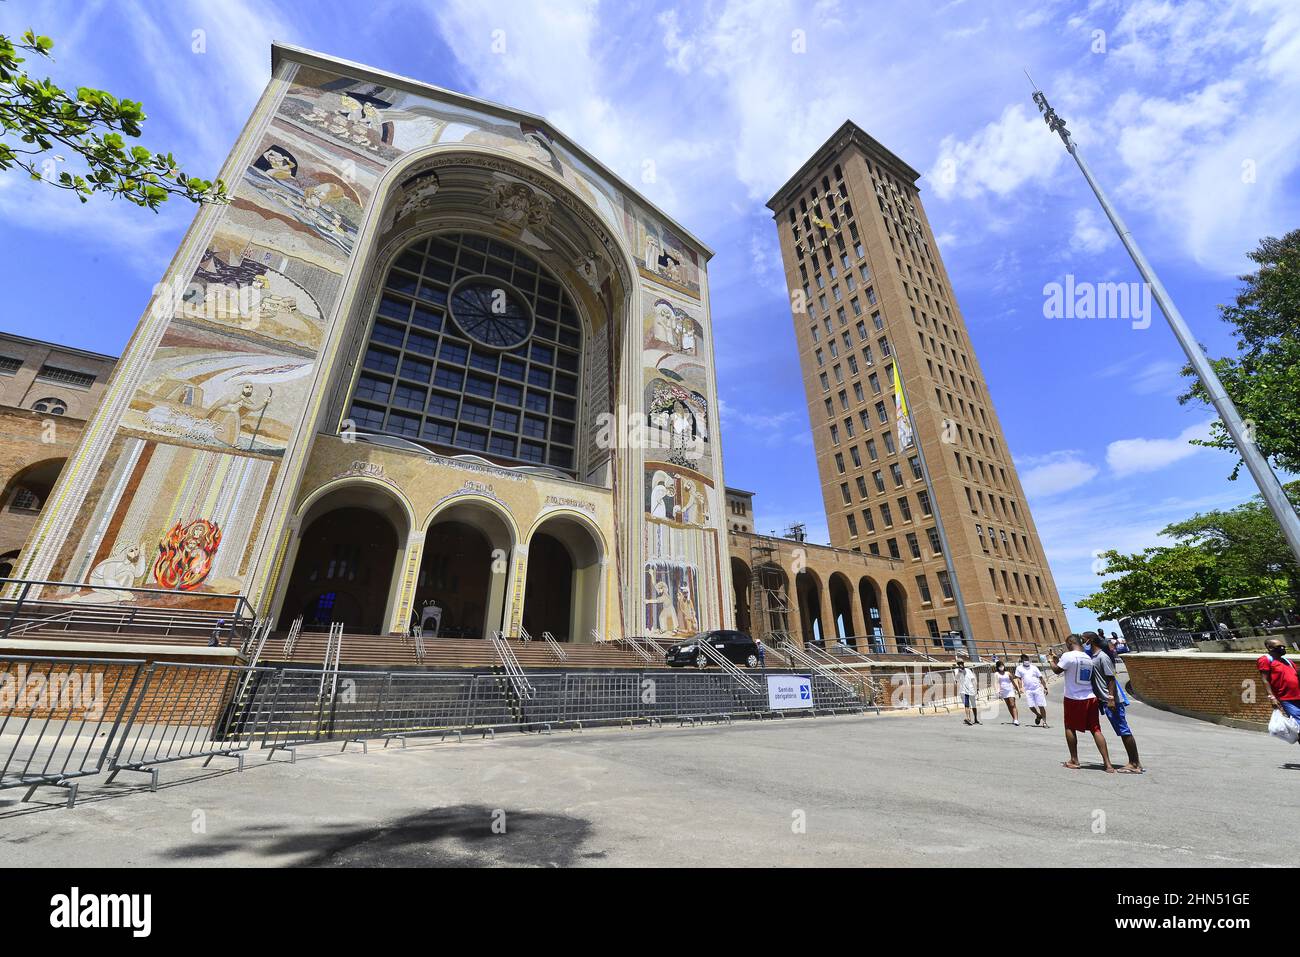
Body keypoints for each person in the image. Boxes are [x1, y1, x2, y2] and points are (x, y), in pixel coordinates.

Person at [1049, 635, 1115, 772]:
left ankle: (1074, 760)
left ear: (1070, 643)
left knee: (1069, 727)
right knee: (1096, 729)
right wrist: (1057, 660)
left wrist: (1051, 661)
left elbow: (1057, 670)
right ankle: (1108, 764)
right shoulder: (1088, 658)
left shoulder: (1068, 656)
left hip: (1073, 697)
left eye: (1067, 644)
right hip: (1090, 697)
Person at [1086, 631, 1142, 773]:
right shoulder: (1094, 657)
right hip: (1106, 700)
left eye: (1084, 640)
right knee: (1122, 730)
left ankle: (1134, 764)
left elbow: (1111, 678)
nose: (1083, 643)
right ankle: (1135, 763)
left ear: (1090, 641)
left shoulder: (1102, 657)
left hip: (1112, 700)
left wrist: (1111, 699)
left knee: (1124, 730)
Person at [1258, 639, 1300, 739]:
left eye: (1283, 646)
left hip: (1298, 694)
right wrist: (1272, 697)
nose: (1282, 648)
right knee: (1298, 722)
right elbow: (1265, 680)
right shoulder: (1265, 660)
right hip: (1287, 698)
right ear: (1270, 647)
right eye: (1279, 646)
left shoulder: (1287, 661)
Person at [1015, 653, 1049, 727]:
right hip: (1028, 690)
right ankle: (1038, 715)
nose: (1026, 661)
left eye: (1027, 659)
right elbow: (1018, 678)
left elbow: (1041, 677)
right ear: (1022, 660)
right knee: (1031, 706)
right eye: (1025, 660)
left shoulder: (1034, 668)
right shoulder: (1019, 668)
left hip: (1037, 689)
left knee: (1041, 705)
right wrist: (1020, 687)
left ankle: (1044, 722)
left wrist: (1045, 687)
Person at [994, 661, 1022, 725]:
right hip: (1003, 691)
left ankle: (1016, 719)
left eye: (1002, 665)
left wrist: (1018, 690)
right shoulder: (996, 674)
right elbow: (996, 683)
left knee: (1012, 704)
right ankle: (1014, 718)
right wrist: (998, 692)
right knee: (1009, 705)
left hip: (1010, 690)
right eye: (1000, 666)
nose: (1001, 667)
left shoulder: (1008, 673)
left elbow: (1013, 682)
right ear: (997, 667)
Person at [955, 658, 980, 725]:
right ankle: (968, 718)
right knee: (967, 705)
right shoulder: (956, 671)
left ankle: (976, 719)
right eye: (959, 663)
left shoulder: (968, 670)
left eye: (962, 663)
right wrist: (959, 672)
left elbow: (973, 679)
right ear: (957, 664)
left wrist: (976, 688)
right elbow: (956, 679)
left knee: (974, 705)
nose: (961, 664)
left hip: (971, 690)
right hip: (963, 691)